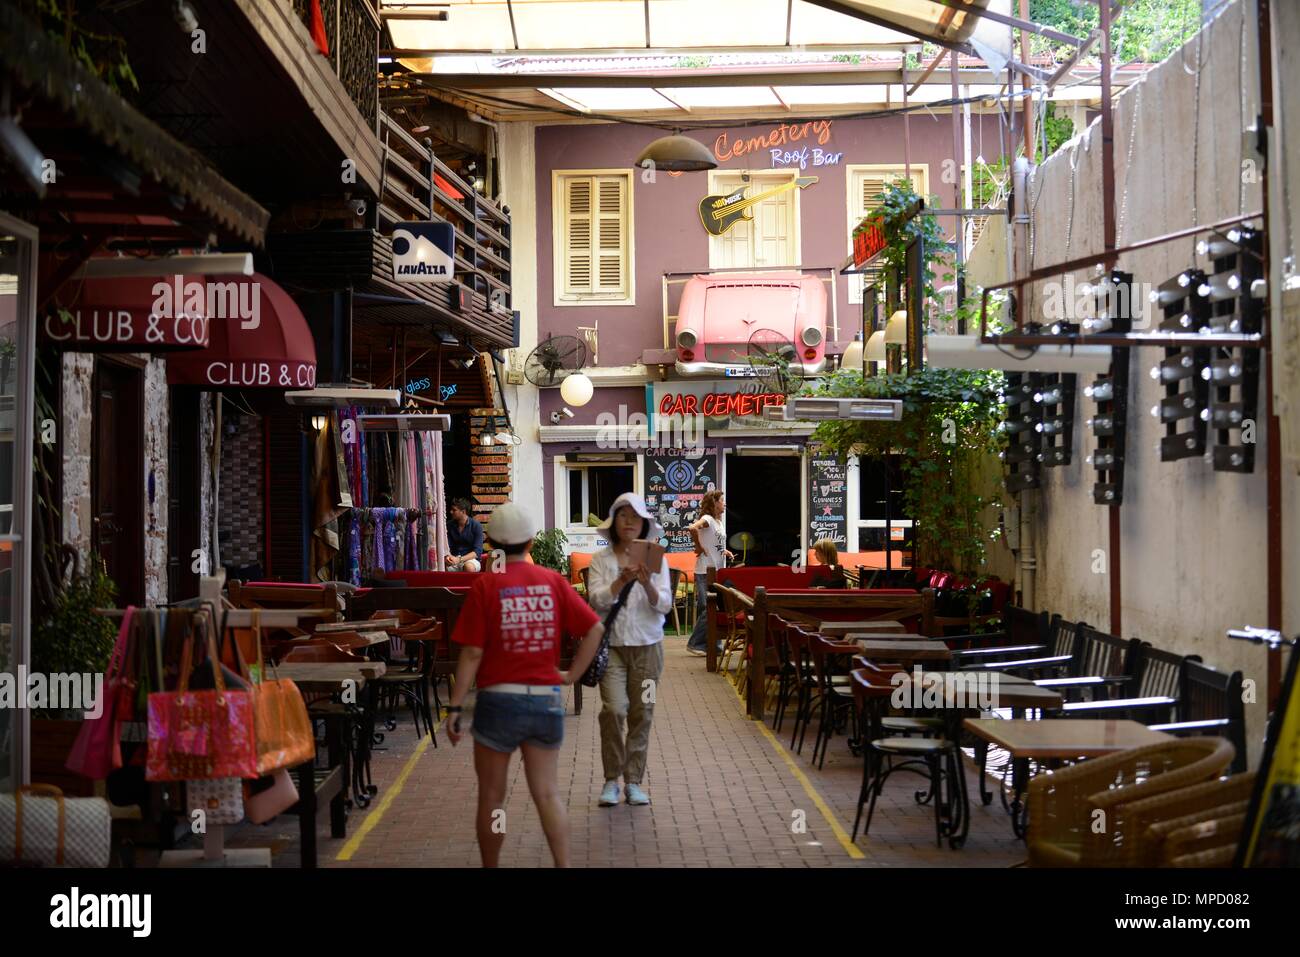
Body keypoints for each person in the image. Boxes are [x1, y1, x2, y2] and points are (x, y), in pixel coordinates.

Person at [445, 503, 605, 867]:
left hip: (498, 703)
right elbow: (595, 628)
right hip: (545, 701)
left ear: (491, 544)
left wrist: (454, 707)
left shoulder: (486, 585)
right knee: (548, 795)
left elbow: (471, 653)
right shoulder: (552, 581)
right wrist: (571, 675)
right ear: (531, 541)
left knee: (492, 798)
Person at [586, 492, 673, 807]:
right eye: (623, 515)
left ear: (645, 524)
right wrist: (619, 582)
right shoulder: (601, 560)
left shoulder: (656, 559)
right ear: (614, 522)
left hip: (649, 651)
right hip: (613, 651)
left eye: (635, 517)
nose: (629, 522)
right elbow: (595, 601)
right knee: (614, 710)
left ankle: (633, 781)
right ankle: (611, 779)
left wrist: (648, 583)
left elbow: (664, 606)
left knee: (642, 713)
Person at [685, 490, 733, 656]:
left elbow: (714, 542)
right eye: (722, 500)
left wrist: (724, 550)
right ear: (714, 503)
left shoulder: (719, 523)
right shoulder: (708, 519)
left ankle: (714, 646)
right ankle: (695, 643)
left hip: (717, 570)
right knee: (708, 608)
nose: (724, 503)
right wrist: (698, 546)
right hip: (705, 570)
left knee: (714, 607)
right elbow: (692, 528)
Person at [447, 497, 485, 572]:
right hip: (454, 558)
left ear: (463, 512)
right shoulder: (449, 525)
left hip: (470, 560)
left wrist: (459, 559)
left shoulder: (476, 526)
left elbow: (477, 551)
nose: (451, 512)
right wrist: (448, 557)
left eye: (454, 510)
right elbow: (447, 546)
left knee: (469, 567)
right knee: (439, 566)